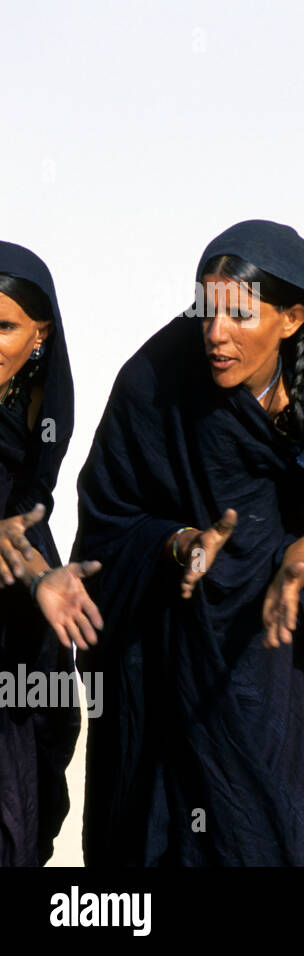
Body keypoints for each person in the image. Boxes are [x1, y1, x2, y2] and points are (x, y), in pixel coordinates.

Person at [73, 220, 304, 865]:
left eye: (239, 315)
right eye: (206, 312)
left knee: (266, 829)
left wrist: (295, 571)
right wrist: (182, 544)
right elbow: (107, 516)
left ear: (291, 319)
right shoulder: (153, 385)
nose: (216, 335)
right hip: (163, 661)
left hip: (272, 658)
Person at [0, 241, 101, 866]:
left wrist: (39, 580)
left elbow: (21, 530)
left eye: (4, 326)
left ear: (40, 336)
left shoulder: (36, 430)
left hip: (21, 645)